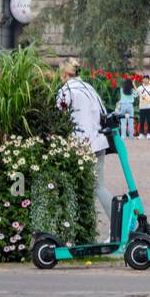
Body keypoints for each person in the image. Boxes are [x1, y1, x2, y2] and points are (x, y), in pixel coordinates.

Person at [56, 59, 113, 226]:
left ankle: (118, 224)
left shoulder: (66, 90)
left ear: (65, 74)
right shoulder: (89, 88)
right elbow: (103, 113)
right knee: (99, 187)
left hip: (79, 145)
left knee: (75, 187)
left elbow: (58, 116)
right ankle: (117, 226)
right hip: (98, 142)